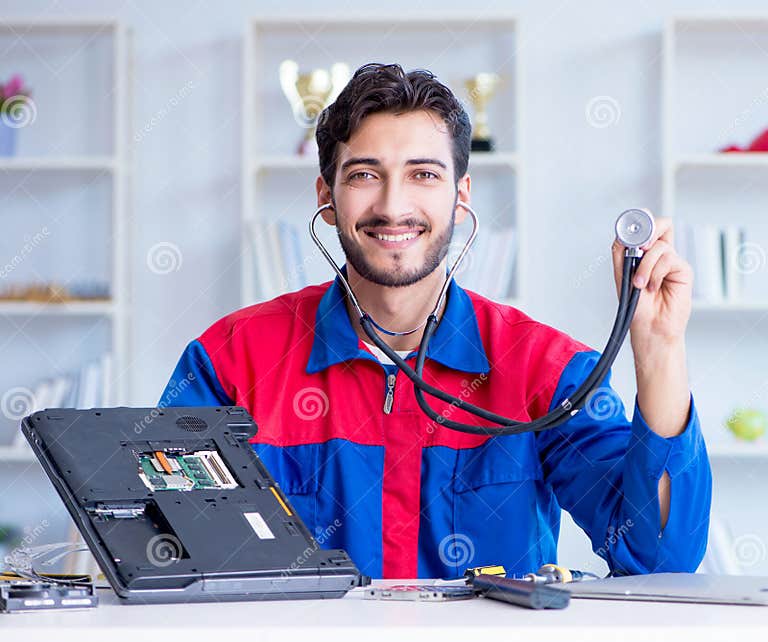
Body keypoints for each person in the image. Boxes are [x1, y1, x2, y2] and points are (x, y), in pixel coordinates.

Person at [160, 63, 711, 580]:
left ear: (460, 195)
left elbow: (658, 557)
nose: (393, 205)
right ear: (327, 197)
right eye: (364, 175)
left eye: (423, 174)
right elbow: (169, 550)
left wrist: (660, 348)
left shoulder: (549, 370)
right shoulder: (230, 360)